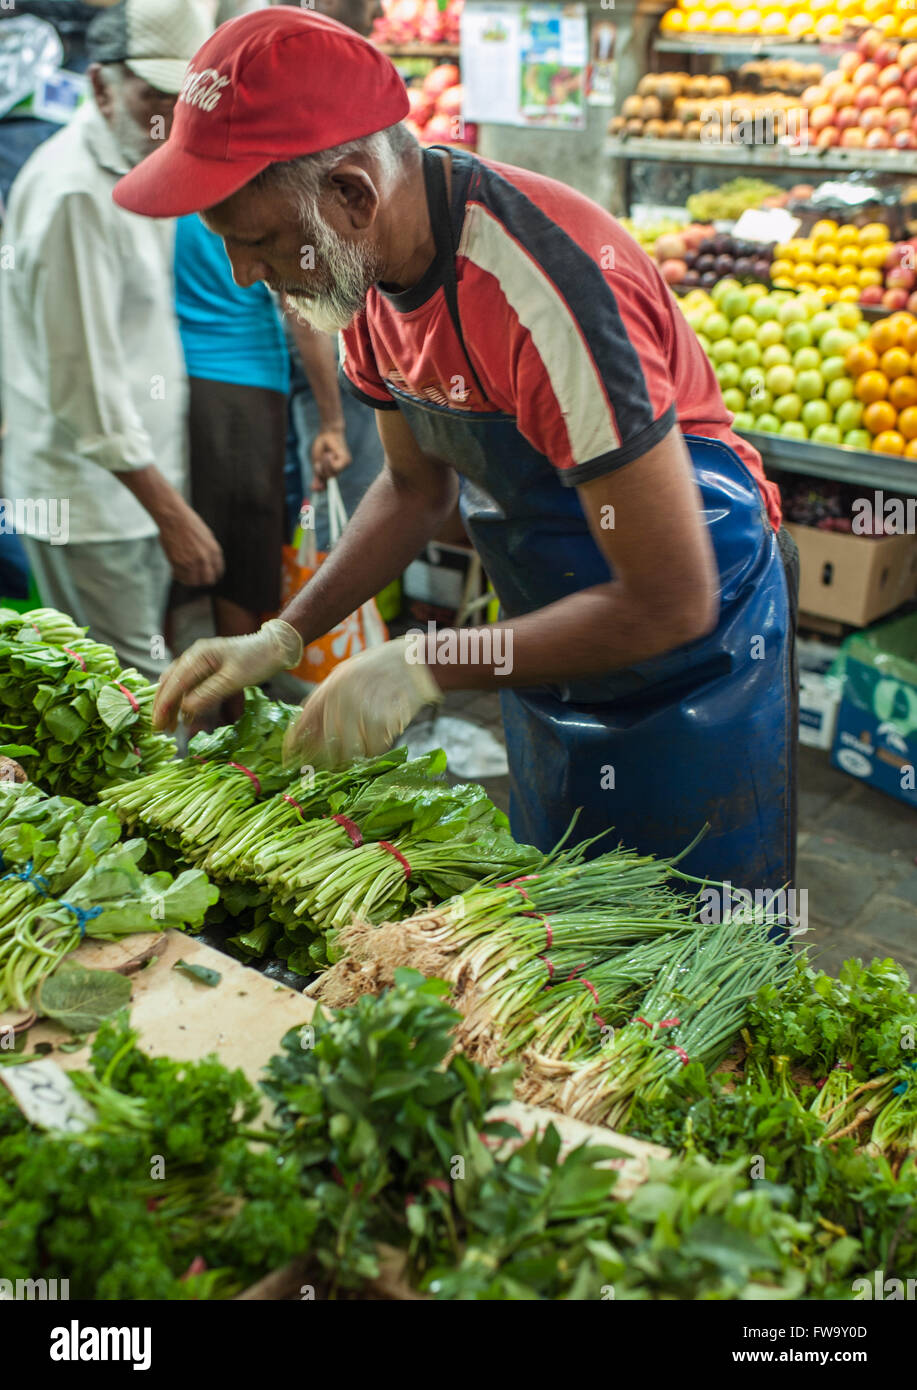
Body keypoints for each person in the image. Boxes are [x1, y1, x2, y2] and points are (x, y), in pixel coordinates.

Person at [115, 8, 799, 891]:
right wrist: (285, 636)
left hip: (697, 652)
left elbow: (670, 600)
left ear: (352, 196)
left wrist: (430, 662)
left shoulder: (545, 291)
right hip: (556, 637)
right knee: (565, 914)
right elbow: (413, 490)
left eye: (255, 241)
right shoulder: (365, 274)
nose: (247, 275)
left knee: (695, 939)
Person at [0, 0, 222, 680]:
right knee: (126, 695)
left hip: (126, 493)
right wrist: (172, 514)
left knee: (121, 687)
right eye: (148, 95)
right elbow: (84, 386)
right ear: (100, 86)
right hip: (95, 502)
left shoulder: (130, 169)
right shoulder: (75, 193)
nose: (165, 120)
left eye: (178, 101)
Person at [284, 0, 386, 550]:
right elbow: (301, 299)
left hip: (345, 366)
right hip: (333, 374)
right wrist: (332, 422)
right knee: (341, 513)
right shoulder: (316, 126)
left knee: (358, 505)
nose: (377, 10)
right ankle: (327, 629)